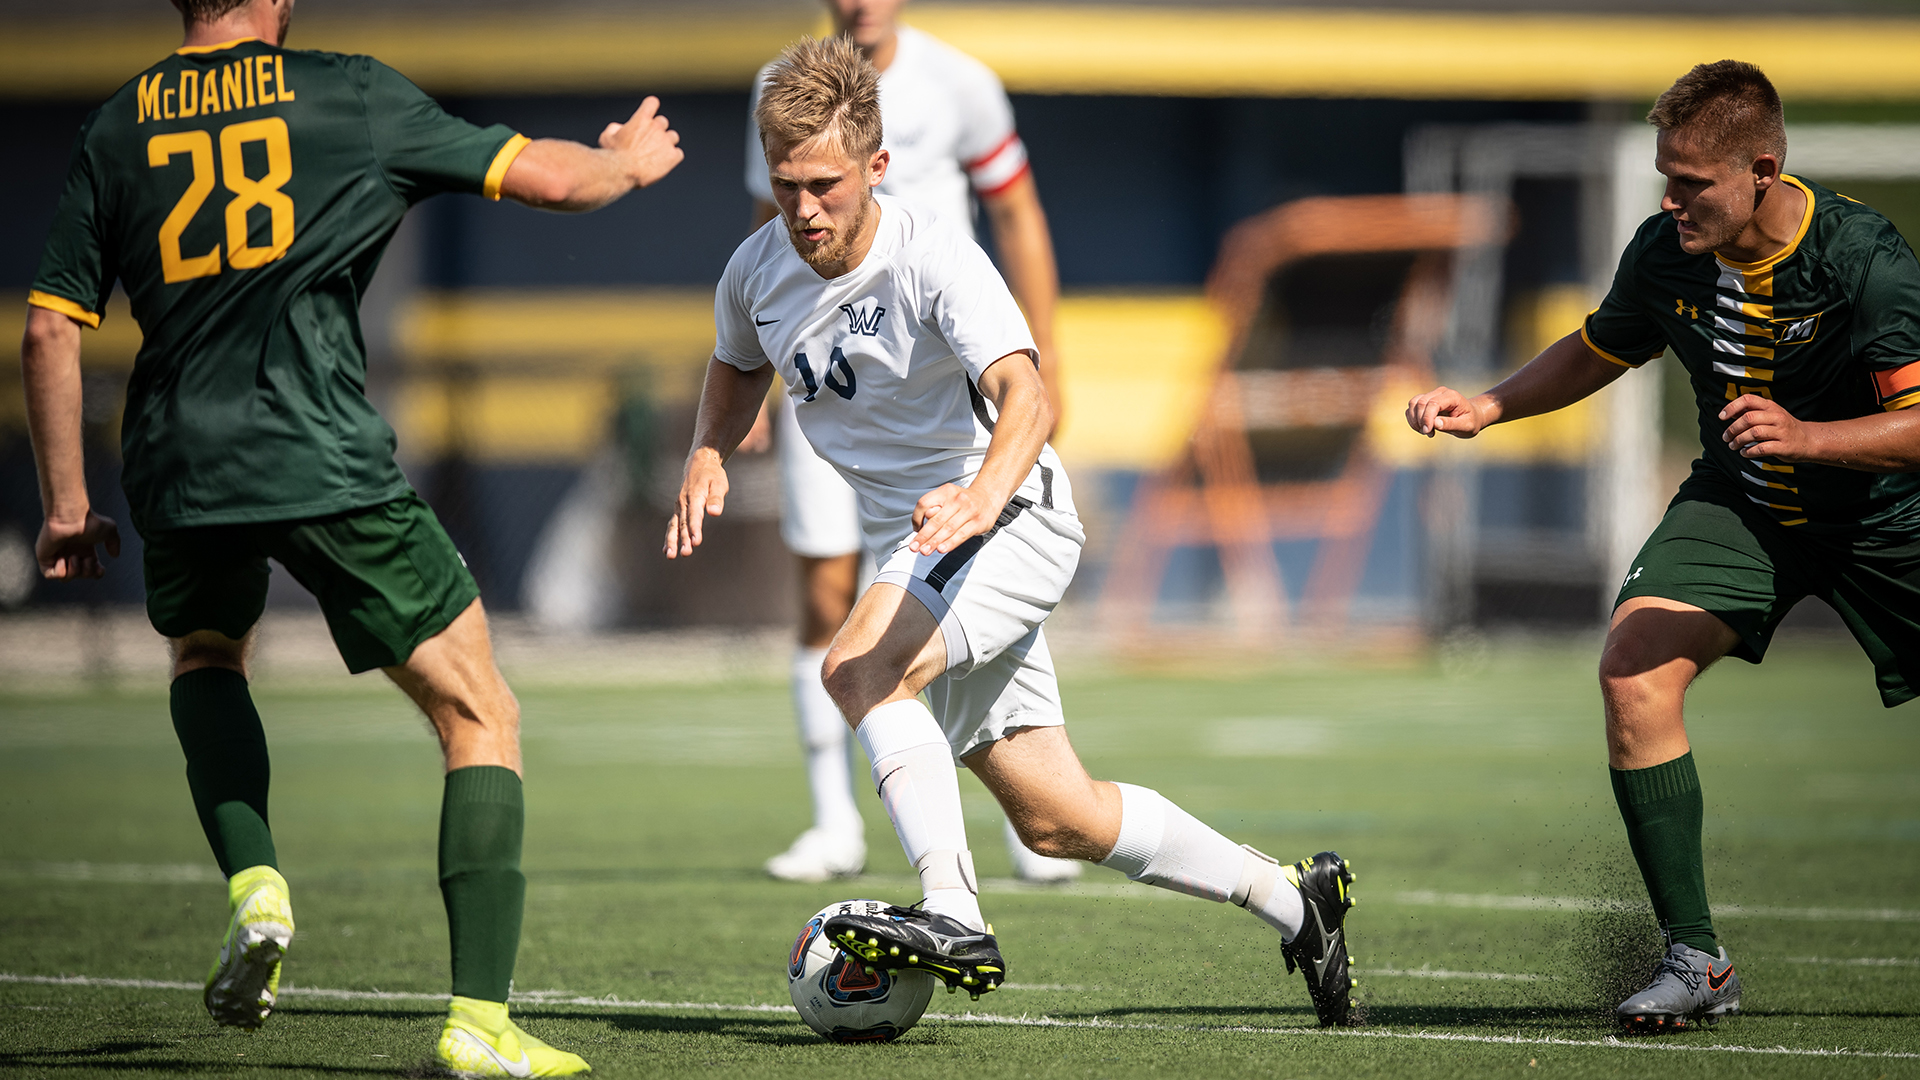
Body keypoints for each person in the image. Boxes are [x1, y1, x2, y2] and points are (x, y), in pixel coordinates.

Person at [22, 0, 683, 1072]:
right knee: (480, 712)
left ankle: (256, 882)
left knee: (205, 654)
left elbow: (53, 325)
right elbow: (556, 180)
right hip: (319, 453)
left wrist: (62, 503)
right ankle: (480, 1027)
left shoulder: (118, 124)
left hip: (178, 463)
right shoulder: (349, 93)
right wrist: (627, 162)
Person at [669, 36, 1358, 1025]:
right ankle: (1300, 904)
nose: (805, 209)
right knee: (1056, 818)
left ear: (877, 167)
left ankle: (951, 911)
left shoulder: (936, 258)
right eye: (785, 186)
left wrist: (980, 499)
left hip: (1010, 519)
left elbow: (1024, 398)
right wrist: (707, 451)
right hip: (927, 550)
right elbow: (737, 363)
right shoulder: (757, 269)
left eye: (824, 184)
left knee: (857, 668)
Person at [1407, 60, 1920, 1033]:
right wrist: (1490, 404)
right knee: (1634, 667)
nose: (1671, 198)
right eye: (1664, 176)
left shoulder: (1865, 258)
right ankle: (1696, 960)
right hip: (1742, 508)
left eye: (1692, 182)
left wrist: (1812, 438)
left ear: (1762, 169)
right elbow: (1601, 345)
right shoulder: (1664, 252)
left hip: (1885, 518)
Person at [737, 0, 1073, 885]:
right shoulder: (783, 91)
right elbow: (760, 253)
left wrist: (1041, 358)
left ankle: (996, 848)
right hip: (829, 378)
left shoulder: (962, 83)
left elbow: (1020, 215)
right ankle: (835, 823)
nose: (859, 3)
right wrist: (750, 395)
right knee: (829, 596)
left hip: (934, 374)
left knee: (920, 609)